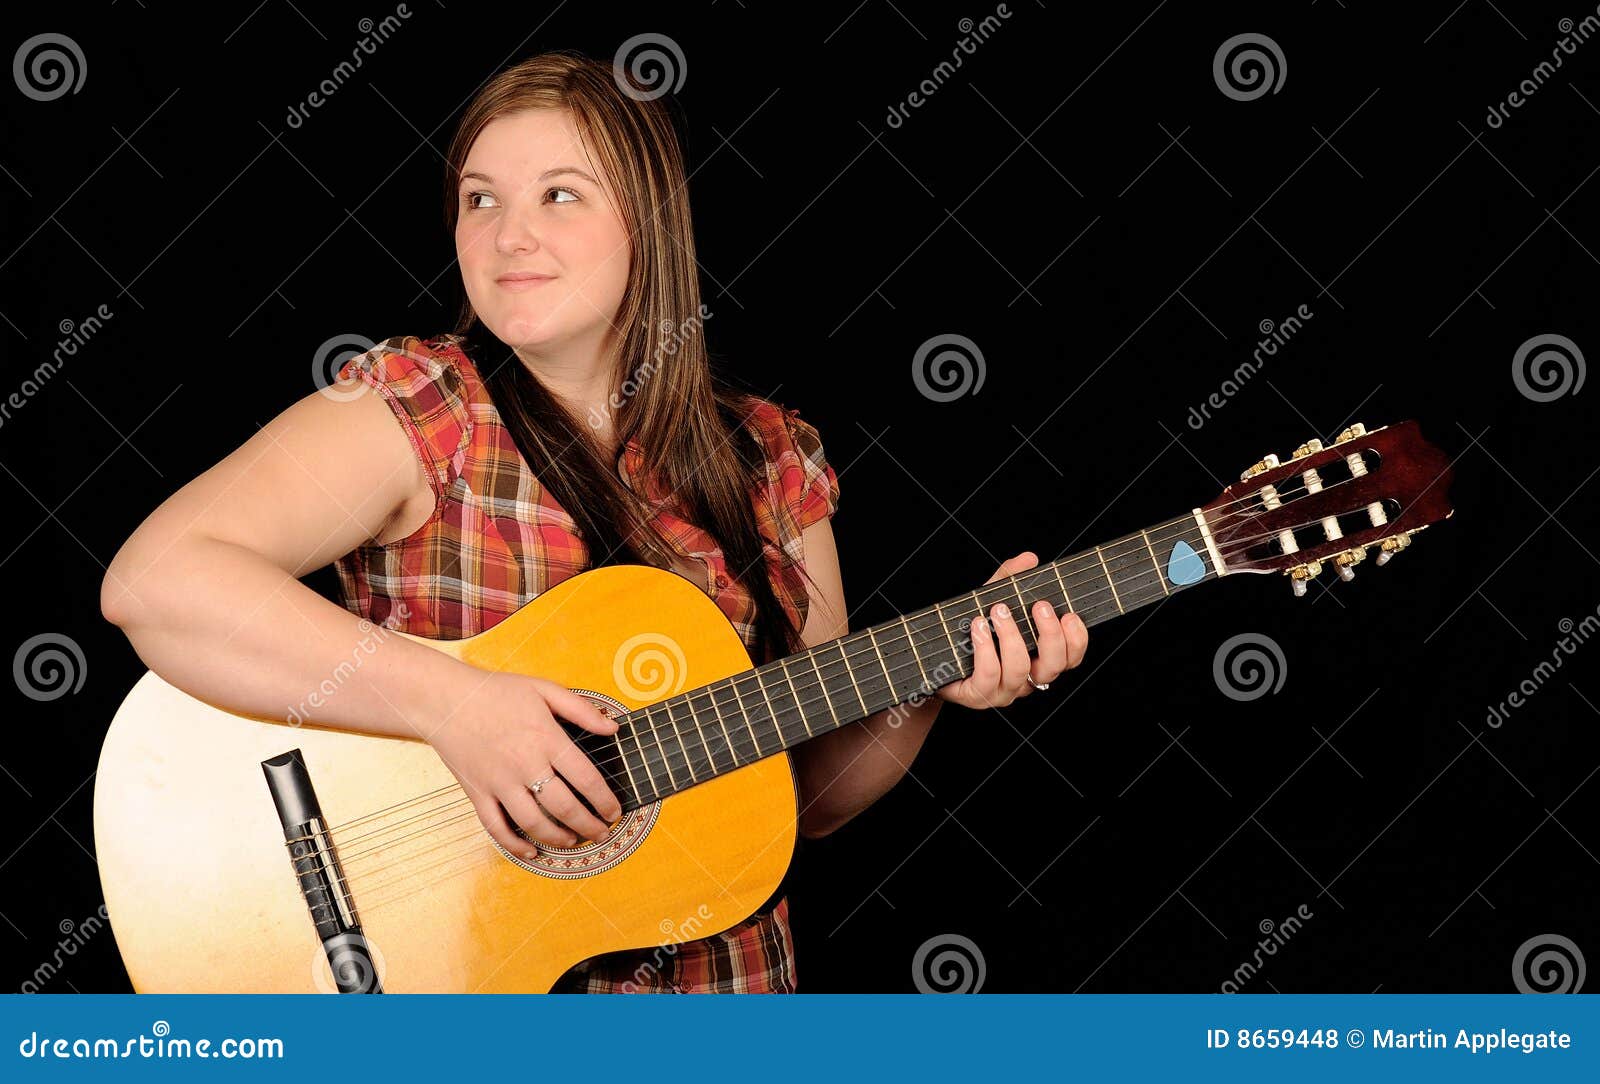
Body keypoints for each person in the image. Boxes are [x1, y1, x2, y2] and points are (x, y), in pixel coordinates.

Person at [100, 50, 1088, 992]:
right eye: (479, 198)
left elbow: (804, 798)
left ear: (647, 223)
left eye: (558, 194)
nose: (507, 235)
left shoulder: (771, 459)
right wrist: (455, 709)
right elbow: (155, 583)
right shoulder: (420, 409)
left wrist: (928, 687)